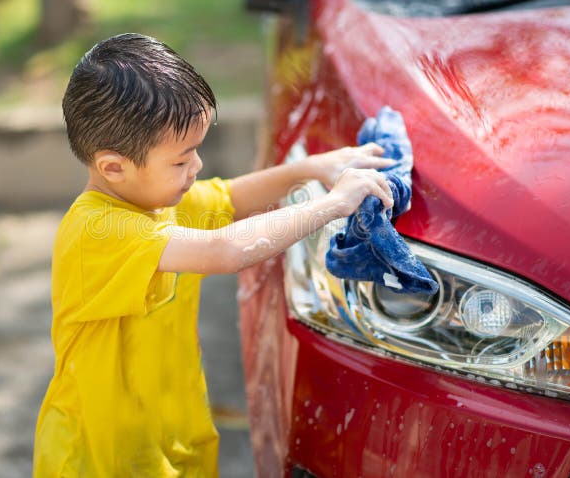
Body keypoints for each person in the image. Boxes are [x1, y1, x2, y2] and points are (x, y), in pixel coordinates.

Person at [33, 33, 396, 477]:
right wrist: (331, 204)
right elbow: (226, 250)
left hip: (174, 441)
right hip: (99, 460)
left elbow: (230, 199)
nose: (197, 167)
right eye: (181, 160)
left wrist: (312, 168)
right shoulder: (96, 230)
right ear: (113, 167)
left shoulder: (157, 199)